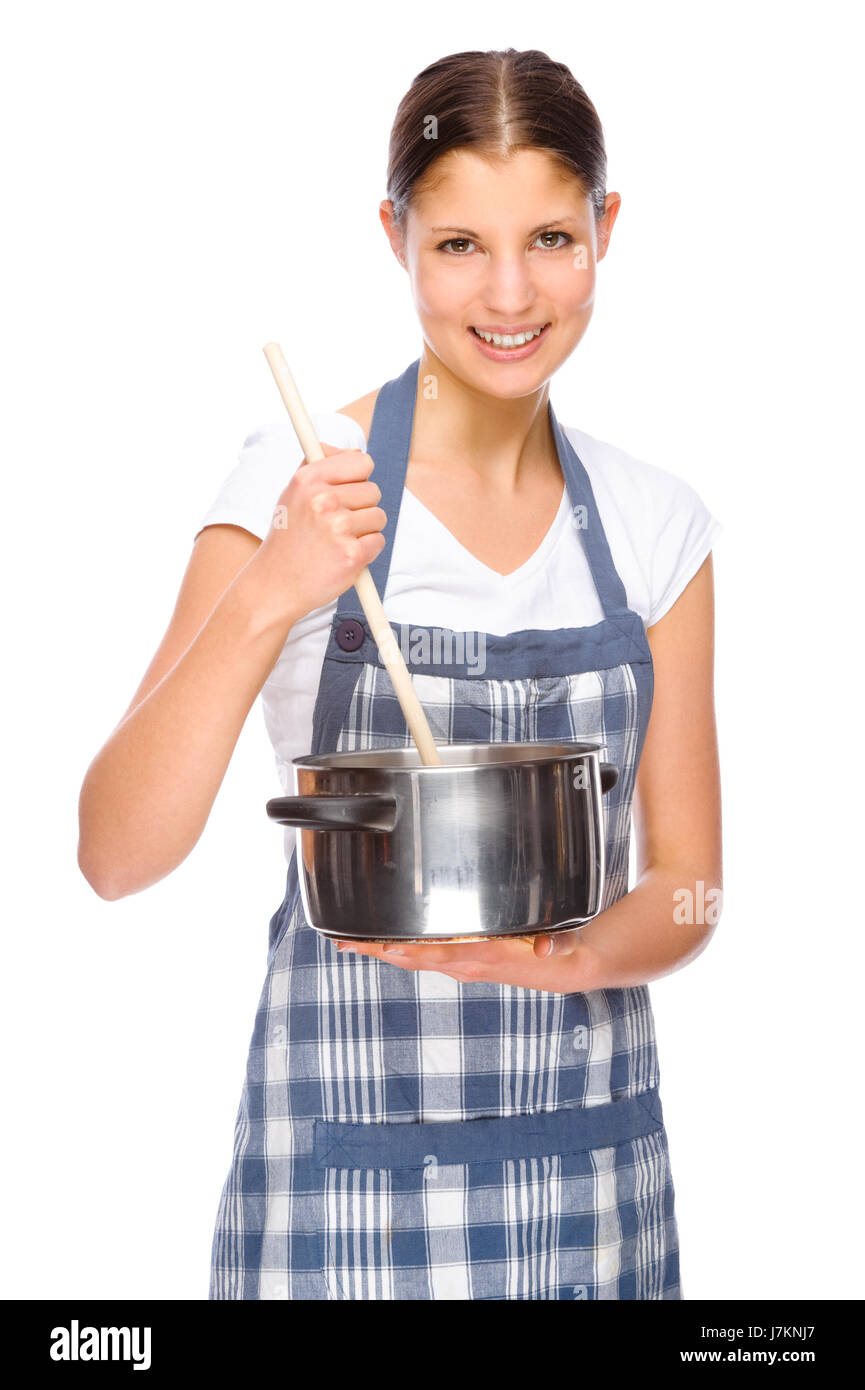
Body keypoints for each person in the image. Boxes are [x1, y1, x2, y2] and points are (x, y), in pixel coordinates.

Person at [78, 47, 723, 1300]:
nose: (510, 293)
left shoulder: (657, 525)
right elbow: (114, 853)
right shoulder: (302, 486)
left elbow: (692, 888)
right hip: (344, 1206)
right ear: (395, 238)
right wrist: (274, 585)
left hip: (593, 1204)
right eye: (459, 245)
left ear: (607, 228)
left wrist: (564, 959)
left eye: (550, 238)